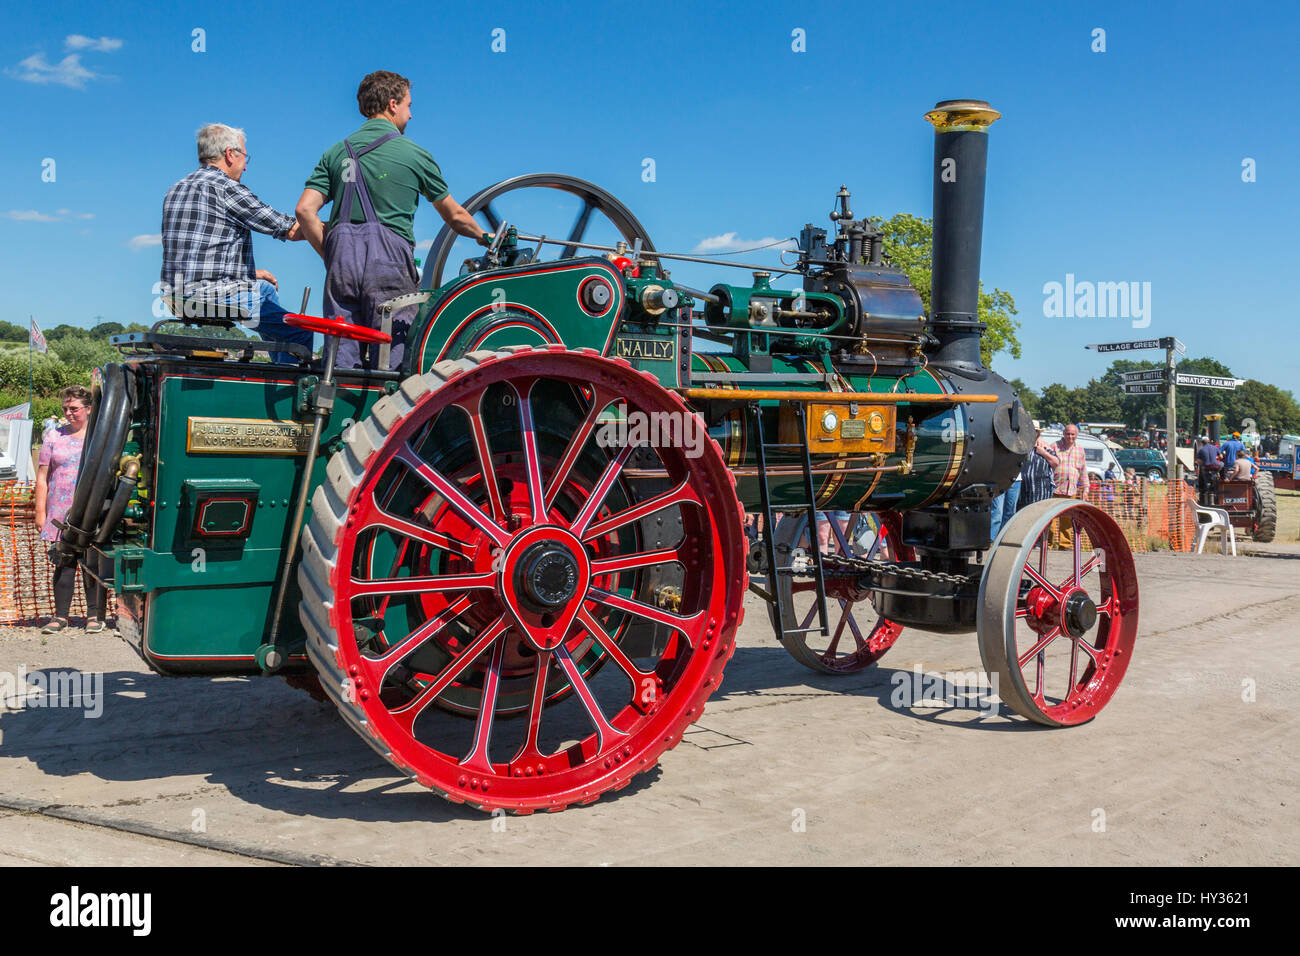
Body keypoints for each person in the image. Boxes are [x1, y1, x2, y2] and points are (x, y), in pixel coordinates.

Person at [295, 71, 488, 370]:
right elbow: (456, 216)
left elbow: (305, 210)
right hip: (388, 263)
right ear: (392, 104)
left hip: (341, 265)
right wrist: (485, 237)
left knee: (340, 360)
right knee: (396, 358)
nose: (411, 115)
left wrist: (329, 254)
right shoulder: (414, 154)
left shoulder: (336, 153)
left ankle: (338, 412)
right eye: (409, 106)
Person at [161, 123, 312, 364]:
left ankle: (278, 362)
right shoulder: (225, 188)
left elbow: (196, 254)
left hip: (175, 294)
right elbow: (289, 229)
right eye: (244, 156)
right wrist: (341, 231)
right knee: (299, 332)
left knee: (265, 288)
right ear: (230, 154)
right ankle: (291, 390)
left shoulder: (176, 188)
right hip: (210, 295)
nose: (246, 165)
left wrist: (251, 273)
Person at [34, 387, 106, 633]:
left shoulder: (98, 439)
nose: (68, 413)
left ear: (88, 409)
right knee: (64, 562)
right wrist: (40, 513)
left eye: (74, 408)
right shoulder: (54, 436)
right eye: (65, 408)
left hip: (90, 511)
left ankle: (94, 616)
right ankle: (60, 617)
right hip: (59, 514)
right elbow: (42, 477)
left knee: (91, 563)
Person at [1040, 424, 1089, 547]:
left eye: (1073, 434)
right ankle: (1047, 544)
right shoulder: (1054, 446)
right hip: (1054, 488)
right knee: (1050, 519)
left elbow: (1083, 471)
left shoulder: (1080, 450)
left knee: (1067, 520)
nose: (1070, 436)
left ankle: (1065, 545)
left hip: (1070, 490)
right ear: (1063, 433)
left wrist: (1085, 488)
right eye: (1068, 434)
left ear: (1076, 435)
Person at [1196, 433, 1222, 505]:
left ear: (1202, 443)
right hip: (1215, 467)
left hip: (1206, 467)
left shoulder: (1201, 450)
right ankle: (1221, 478)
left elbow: (1198, 461)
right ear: (1209, 441)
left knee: (1206, 481)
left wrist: (1203, 462)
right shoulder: (1215, 448)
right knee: (1222, 464)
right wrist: (1216, 459)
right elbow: (1221, 456)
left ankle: (1207, 495)